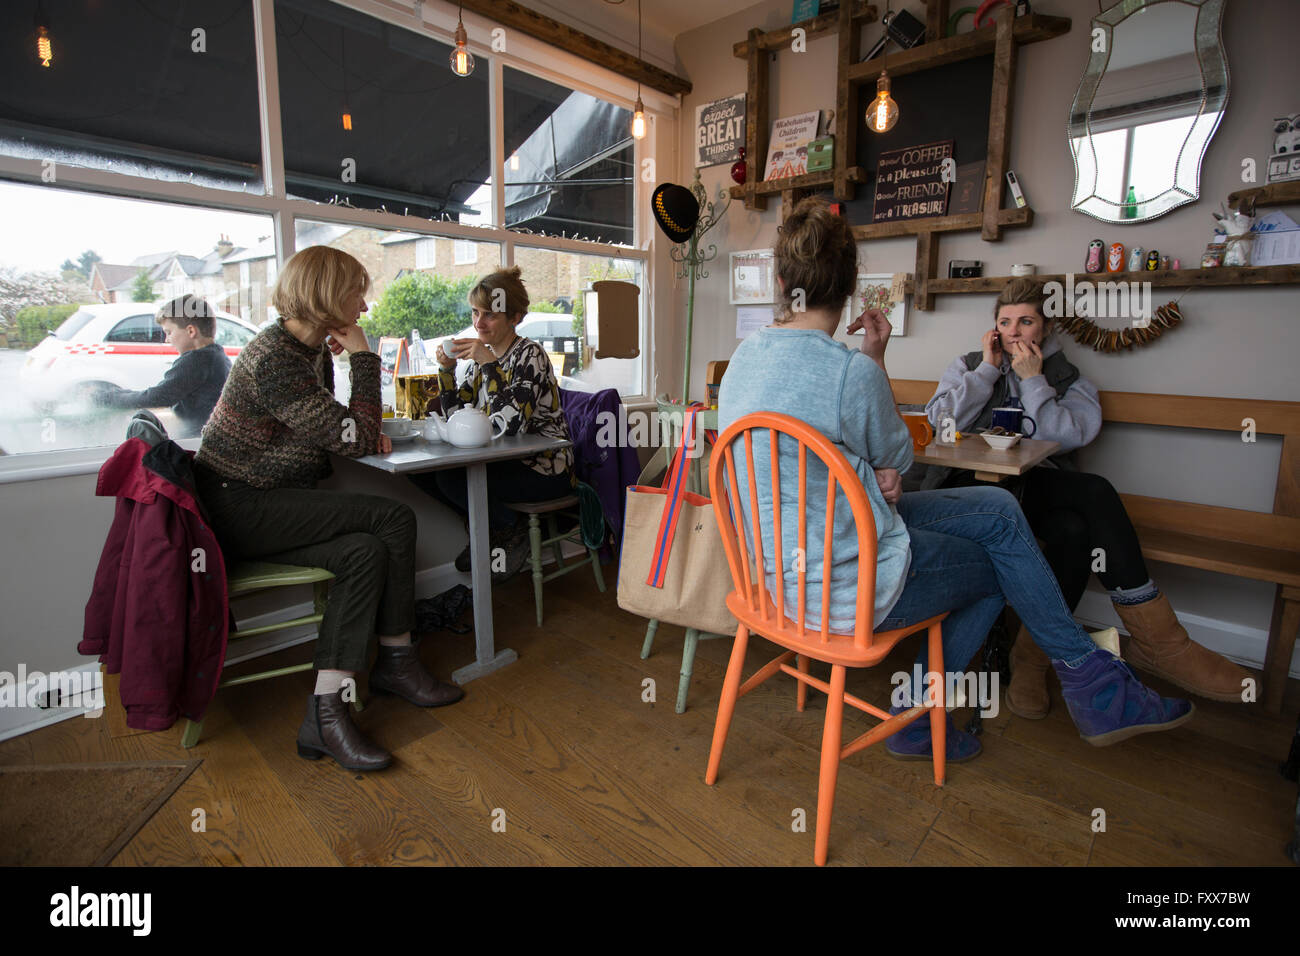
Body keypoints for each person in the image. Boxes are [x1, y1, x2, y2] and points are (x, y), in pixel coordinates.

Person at [718, 197, 1192, 760]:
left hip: (769, 580)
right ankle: (926, 717)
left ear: (779, 279)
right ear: (850, 286)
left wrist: (872, 466)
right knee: (998, 566)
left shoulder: (743, 359)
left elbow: (852, 467)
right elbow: (898, 453)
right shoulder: (848, 371)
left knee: (1001, 513)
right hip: (841, 590)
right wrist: (874, 357)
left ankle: (1089, 678)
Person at [924, 278, 1249, 716]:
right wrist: (985, 372)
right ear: (993, 329)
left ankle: (1033, 660)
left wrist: (1034, 382)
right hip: (966, 487)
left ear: (1046, 328)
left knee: (1074, 526)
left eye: (1026, 321)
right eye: (1005, 321)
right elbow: (938, 424)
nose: (1014, 332)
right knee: (1085, 508)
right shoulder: (967, 365)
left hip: (1029, 491)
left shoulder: (1066, 380)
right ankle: (1155, 642)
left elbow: (1071, 436)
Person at [193, 246, 462, 773]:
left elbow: (341, 433)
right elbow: (354, 434)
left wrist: (355, 433)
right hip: (236, 504)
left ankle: (328, 710)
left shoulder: (309, 350)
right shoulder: (274, 359)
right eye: (356, 292)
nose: (364, 304)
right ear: (324, 295)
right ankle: (398, 661)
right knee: (393, 517)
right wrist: (363, 356)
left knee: (364, 551)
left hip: (270, 499)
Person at [413, 266, 573, 580]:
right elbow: (456, 415)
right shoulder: (480, 359)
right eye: (475, 312)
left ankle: (503, 529)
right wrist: (446, 371)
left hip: (545, 467)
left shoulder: (531, 356)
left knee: (451, 481)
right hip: (504, 461)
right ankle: (494, 528)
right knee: (424, 474)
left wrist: (489, 364)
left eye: (490, 315)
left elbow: (510, 426)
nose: (478, 323)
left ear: (514, 317)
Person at [102, 294, 231, 437]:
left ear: (191, 331)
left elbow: (158, 397)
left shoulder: (198, 360)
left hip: (197, 441)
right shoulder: (217, 355)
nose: (167, 339)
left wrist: (108, 398)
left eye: (169, 332)